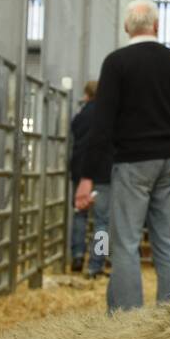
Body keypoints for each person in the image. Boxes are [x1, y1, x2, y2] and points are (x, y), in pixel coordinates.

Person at [77, 0, 170, 312]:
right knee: (167, 244)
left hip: (132, 162)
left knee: (126, 245)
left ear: (126, 28)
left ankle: (127, 320)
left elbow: (102, 123)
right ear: (157, 26)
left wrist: (86, 176)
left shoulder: (116, 63)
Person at [68, 80, 110, 277]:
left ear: (87, 95)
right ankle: (96, 264)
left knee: (79, 215)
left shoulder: (80, 116)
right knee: (102, 221)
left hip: (80, 171)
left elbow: (74, 133)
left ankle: (77, 255)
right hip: (103, 174)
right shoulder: (109, 115)